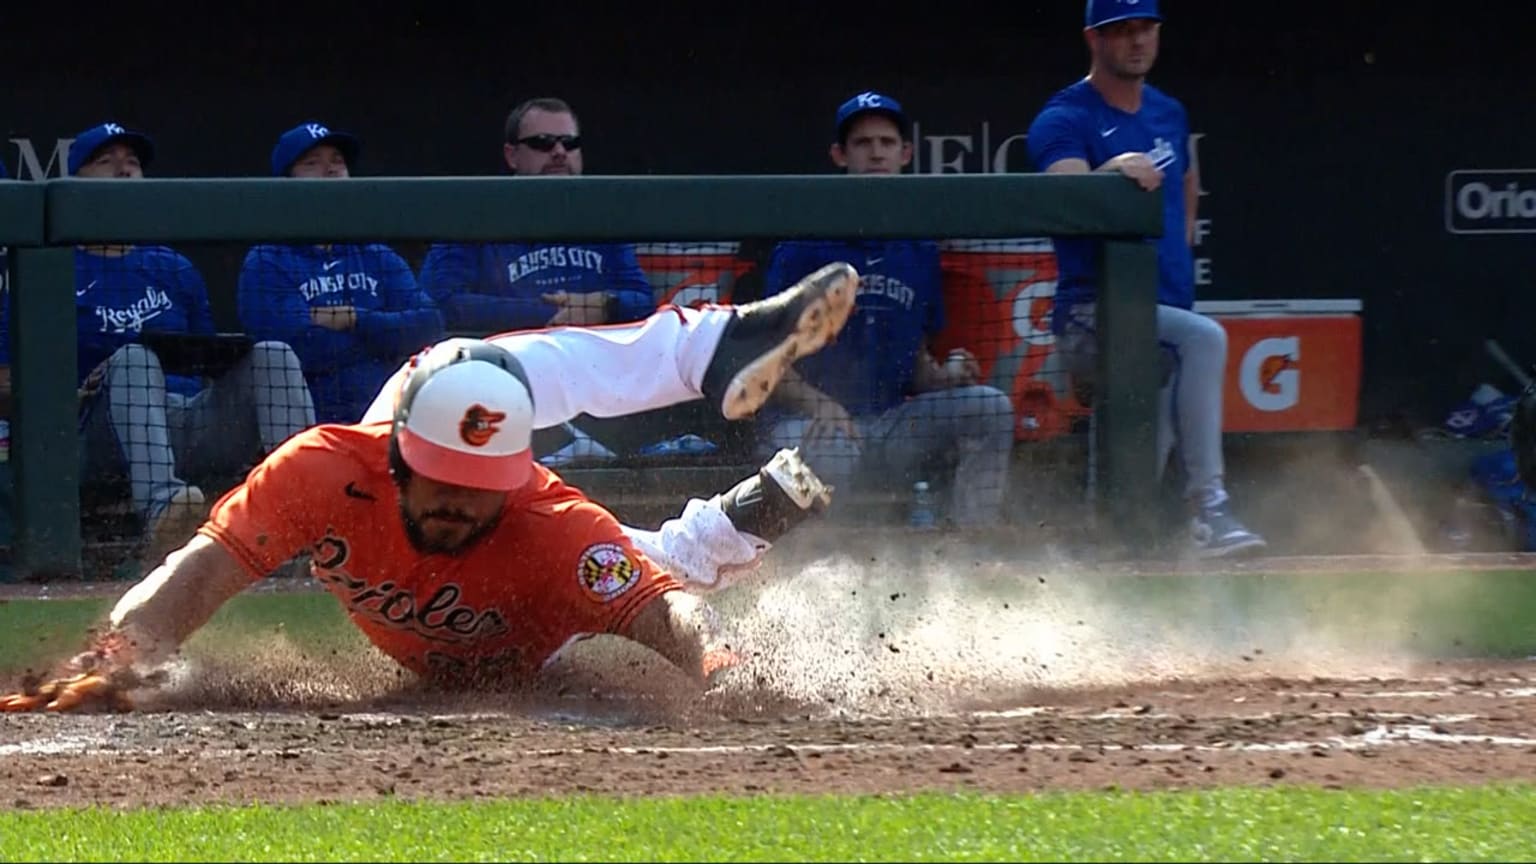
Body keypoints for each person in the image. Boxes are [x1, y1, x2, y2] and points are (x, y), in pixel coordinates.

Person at [0, 261, 857, 712]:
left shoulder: (547, 521)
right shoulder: (326, 468)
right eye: (444, 475)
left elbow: (665, 612)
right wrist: (113, 658)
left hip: (542, 632)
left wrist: (720, 663)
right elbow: (198, 573)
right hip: (480, 548)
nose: (459, 495)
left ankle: (710, 363)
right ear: (398, 455)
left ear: (517, 476)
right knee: (452, 367)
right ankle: (730, 512)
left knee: (644, 567)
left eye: (483, 483)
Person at [1025, 0, 1266, 558]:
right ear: (1094, 38)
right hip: (1092, 314)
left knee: (1133, 466)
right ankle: (1210, 505)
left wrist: (1178, 254)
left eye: (1146, 28)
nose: (1137, 41)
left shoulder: (1168, 112)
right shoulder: (1065, 117)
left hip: (1161, 313)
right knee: (1204, 339)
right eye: (1121, 30)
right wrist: (1109, 173)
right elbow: (1065, 195)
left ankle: (1102, 552)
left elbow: (1185, 185)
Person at [759, 92, 1016, 527]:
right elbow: (767, 359)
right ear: (840, 155)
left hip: (890, 425)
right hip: (806, 423)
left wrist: (945, 378)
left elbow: (914, 366)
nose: (876, 152)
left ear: (906, 154)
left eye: (886, 142)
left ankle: (973, 546)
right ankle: (823, 559)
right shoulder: (804, 244)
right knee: (832, 448)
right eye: (862, 143)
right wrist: (819, 404)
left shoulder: (918, 248)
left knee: (989, 408)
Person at [67, 122, 316, 566]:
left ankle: (305, 511)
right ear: (76, 183)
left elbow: (204, 352)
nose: (124, 171)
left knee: (273, 357)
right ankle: (163, 510)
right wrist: (77, 392)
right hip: (101, 433)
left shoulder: (172, 265)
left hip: (187, 419)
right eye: (106, 162)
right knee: (134, 359)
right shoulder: (55, 267)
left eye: (132, 163)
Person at [238, 122, 446, 424]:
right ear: (285, 183)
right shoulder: (267, 259)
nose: (331, 170)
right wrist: (385, 342)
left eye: (337, 161)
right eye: (312, 163)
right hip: (312, 422)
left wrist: (354, 318)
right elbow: (299, 347)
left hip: (387, 416)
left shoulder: (374, 252)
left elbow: (430, 324)